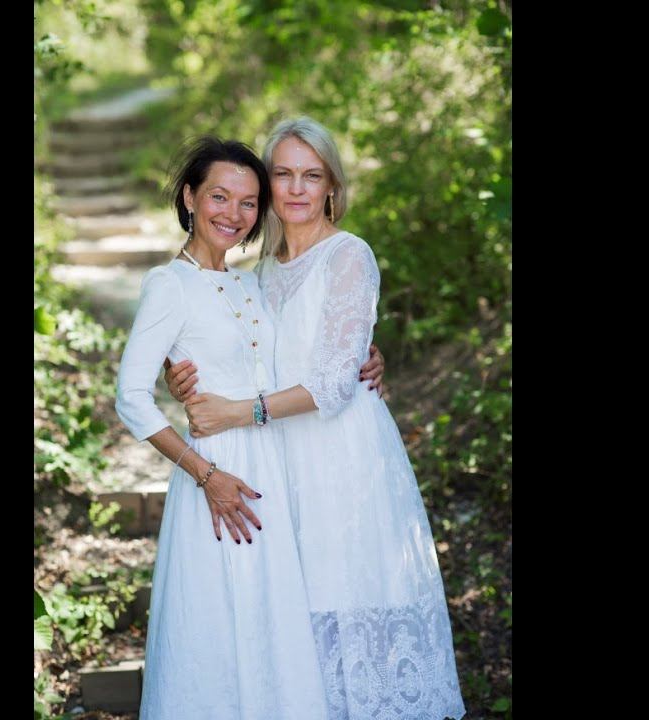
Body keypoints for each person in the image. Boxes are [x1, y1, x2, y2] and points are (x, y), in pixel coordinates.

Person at [167, 117, 466, 719]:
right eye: (283, 174)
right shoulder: (259, 273)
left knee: (350, 596)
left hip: (343, 458)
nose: (297, 189)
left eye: (312, 175)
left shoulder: (349, 255)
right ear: (267, 185)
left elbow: (332, 383)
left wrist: (239, 412)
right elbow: (238, 356)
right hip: (278, 460)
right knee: (296, 619)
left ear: (332, 185)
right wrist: (185, 380)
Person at [114, 137, 328, 719]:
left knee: (273, 624)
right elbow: (131, 398)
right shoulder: (169, 284)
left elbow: (296, 357)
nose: (233, 214)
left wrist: (366, 355)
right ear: (189, 197)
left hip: (276, 468)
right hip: (217, 476)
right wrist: (206, 475)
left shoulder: (253, 281)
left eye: (249, 202)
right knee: (216, 628)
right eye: (219, 197)